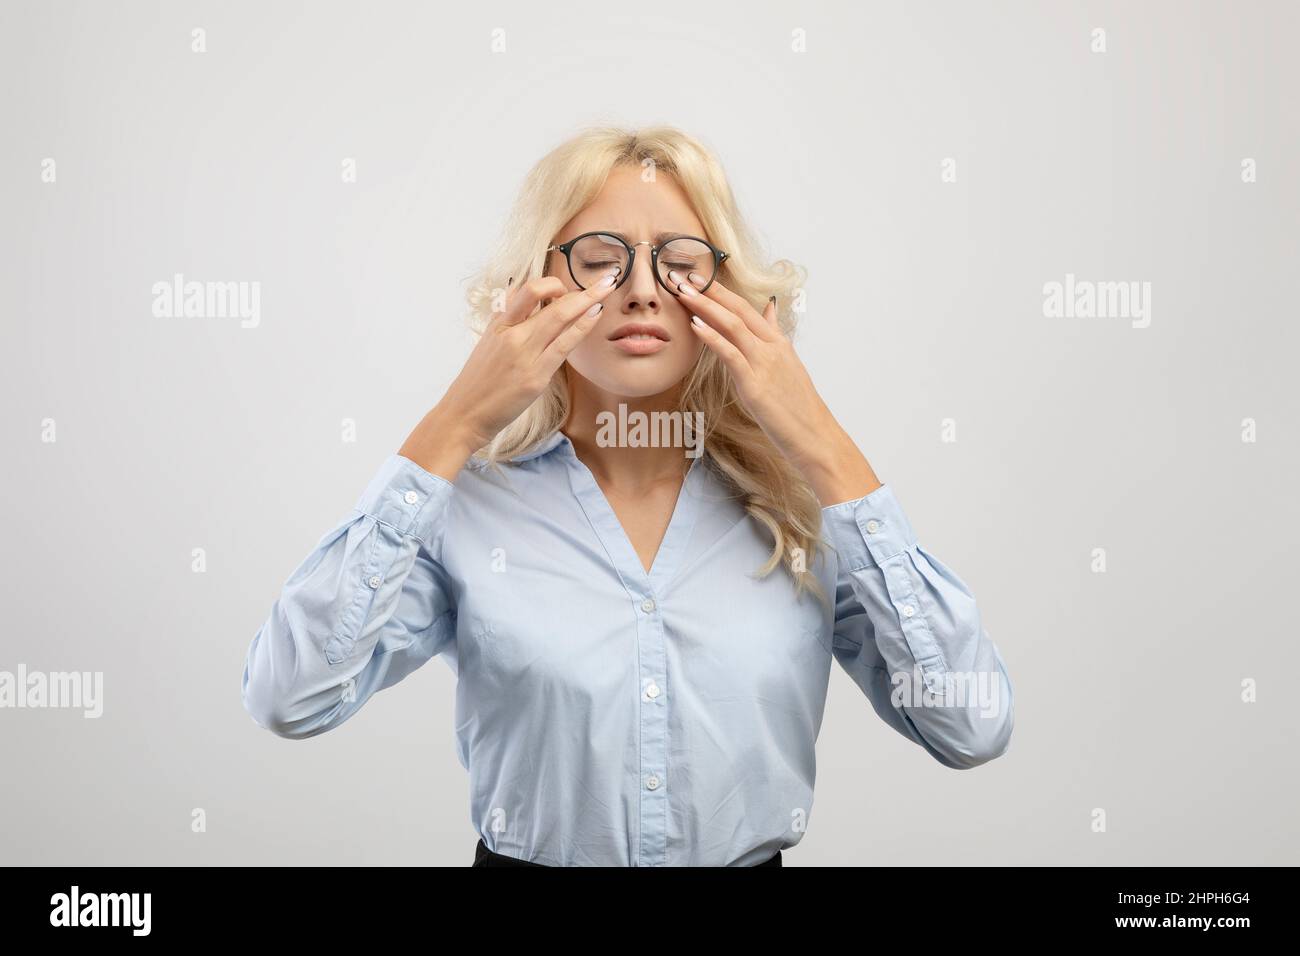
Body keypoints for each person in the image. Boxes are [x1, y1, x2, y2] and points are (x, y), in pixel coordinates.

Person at [241, 125, 1015, 867]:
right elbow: (291, 698)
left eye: (679, 262)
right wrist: (455, 422)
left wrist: (819, 440)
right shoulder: (466, 512)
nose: (643, 291)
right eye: (600, 259)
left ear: (729, 288)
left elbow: (970, 726)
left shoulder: (806, 514)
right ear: (534, 286)